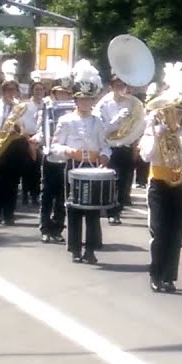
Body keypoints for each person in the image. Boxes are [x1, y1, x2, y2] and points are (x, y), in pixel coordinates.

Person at [138, 63, 182, 293]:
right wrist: (157, 135)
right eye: (171, 111)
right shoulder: (153, 131)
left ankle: (169, 276)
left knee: (176, 233)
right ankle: (156, 274)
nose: (175, 116)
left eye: (178, 112)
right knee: (159, 231)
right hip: (158, 184)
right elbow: (146, 155)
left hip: (180, 186)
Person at [53, 60, 112, 264]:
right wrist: (68, 151)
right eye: (82, 100)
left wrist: (105, 156)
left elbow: (105, 145)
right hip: (74, 168)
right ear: (76, 101)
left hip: (93, 168)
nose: (86, 103)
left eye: (89, 100)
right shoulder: (66, 120)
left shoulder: (98, 121)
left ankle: (91, 250)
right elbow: (55, 147)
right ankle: (76, 248)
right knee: (75, 209)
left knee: (93, 211)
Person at [0, 61, 37, 226]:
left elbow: (32, 127)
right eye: (6, 89)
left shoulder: (23, 107)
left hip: (16, 147)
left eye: (13, 89)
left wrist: (20, 126)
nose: (9, 92)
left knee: (13, 181)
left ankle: (9, 213)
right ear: (1, 90)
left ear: (17, 91)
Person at [34, 68, 76, 244]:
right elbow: (41, 129)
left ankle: (58, 227)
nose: (63, 95)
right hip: (51, 156)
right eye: (60, 92)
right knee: (47, 194)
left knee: (63, 195)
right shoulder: (47, 107)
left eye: (66, 93)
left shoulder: (75, 109)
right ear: (54, 93)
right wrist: (38, 139)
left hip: (67, 158)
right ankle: (45, 227)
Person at [97, 74, 146, 223]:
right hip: (109, 147)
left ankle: (118, 209)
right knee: (112, 179)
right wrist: (117, 119)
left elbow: (140, 125)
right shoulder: (104, 104)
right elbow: (102, 129)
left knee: (124, 180)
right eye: (117, 85)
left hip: (126, 147)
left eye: (123, 85)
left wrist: (133, 140)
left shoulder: (134, 103)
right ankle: (112, 212)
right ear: (111, 87)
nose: (121, 88)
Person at [21, 79, 47, 207]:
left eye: (41, 89)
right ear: (32, 91)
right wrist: (27, 137)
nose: (39, 92)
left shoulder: (46, 104)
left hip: (41, 138)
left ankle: (35, 195)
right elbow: (22, 122)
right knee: (27, 168)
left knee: (37, 169)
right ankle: (25, 193)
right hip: (28, 137)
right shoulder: (26, 105)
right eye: (36, 89)